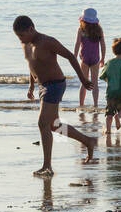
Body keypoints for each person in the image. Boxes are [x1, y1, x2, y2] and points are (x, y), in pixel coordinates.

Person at [13, 15, 97, 175]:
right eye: (18, 36)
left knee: (42, 123)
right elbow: (31, 63)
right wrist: (31, 85)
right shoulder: (25, 44)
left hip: (55, 84)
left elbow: (70, 57)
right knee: (53, 125)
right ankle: (88, 141)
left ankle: (47, 166)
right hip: (42, 86)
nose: (21, 39)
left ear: (31, 29)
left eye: (22, 35)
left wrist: (83, 79)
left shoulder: (47, 41)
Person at [73, 8, 106, 112]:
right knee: (95, 83)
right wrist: (102, 58)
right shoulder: (99, 30)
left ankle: (81, 105)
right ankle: (95, 104)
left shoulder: (81, 30)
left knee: (84, 82)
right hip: (95, 58)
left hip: (84, 58)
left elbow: (77, 44)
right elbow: (103, 45)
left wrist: (74, 57)